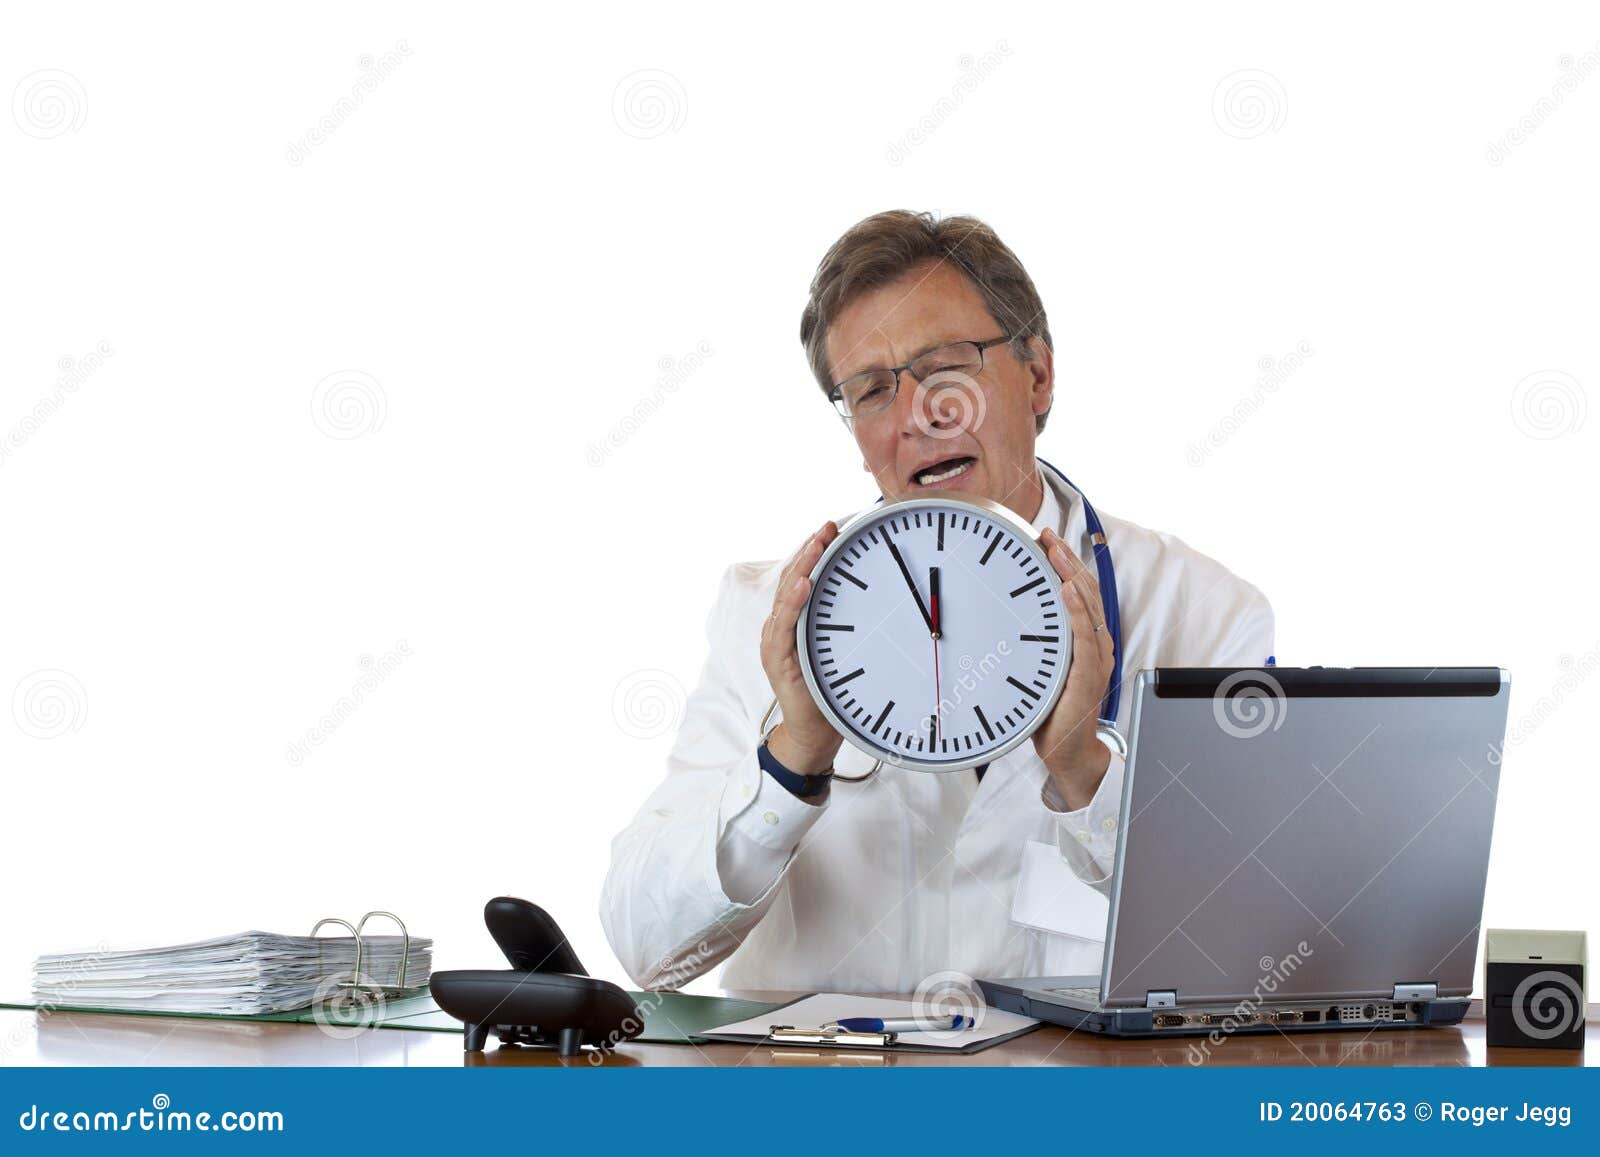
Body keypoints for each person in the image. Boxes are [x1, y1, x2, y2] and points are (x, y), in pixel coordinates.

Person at [601, 210, 1274, 993]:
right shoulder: (767, 618)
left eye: (947, 367)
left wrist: (1086, 771)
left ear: (1039, 374)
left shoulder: (1204, 613)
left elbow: (1257, 945)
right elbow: (646, 946)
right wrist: (792, 760)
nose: (920, 414)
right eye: (874, 390)